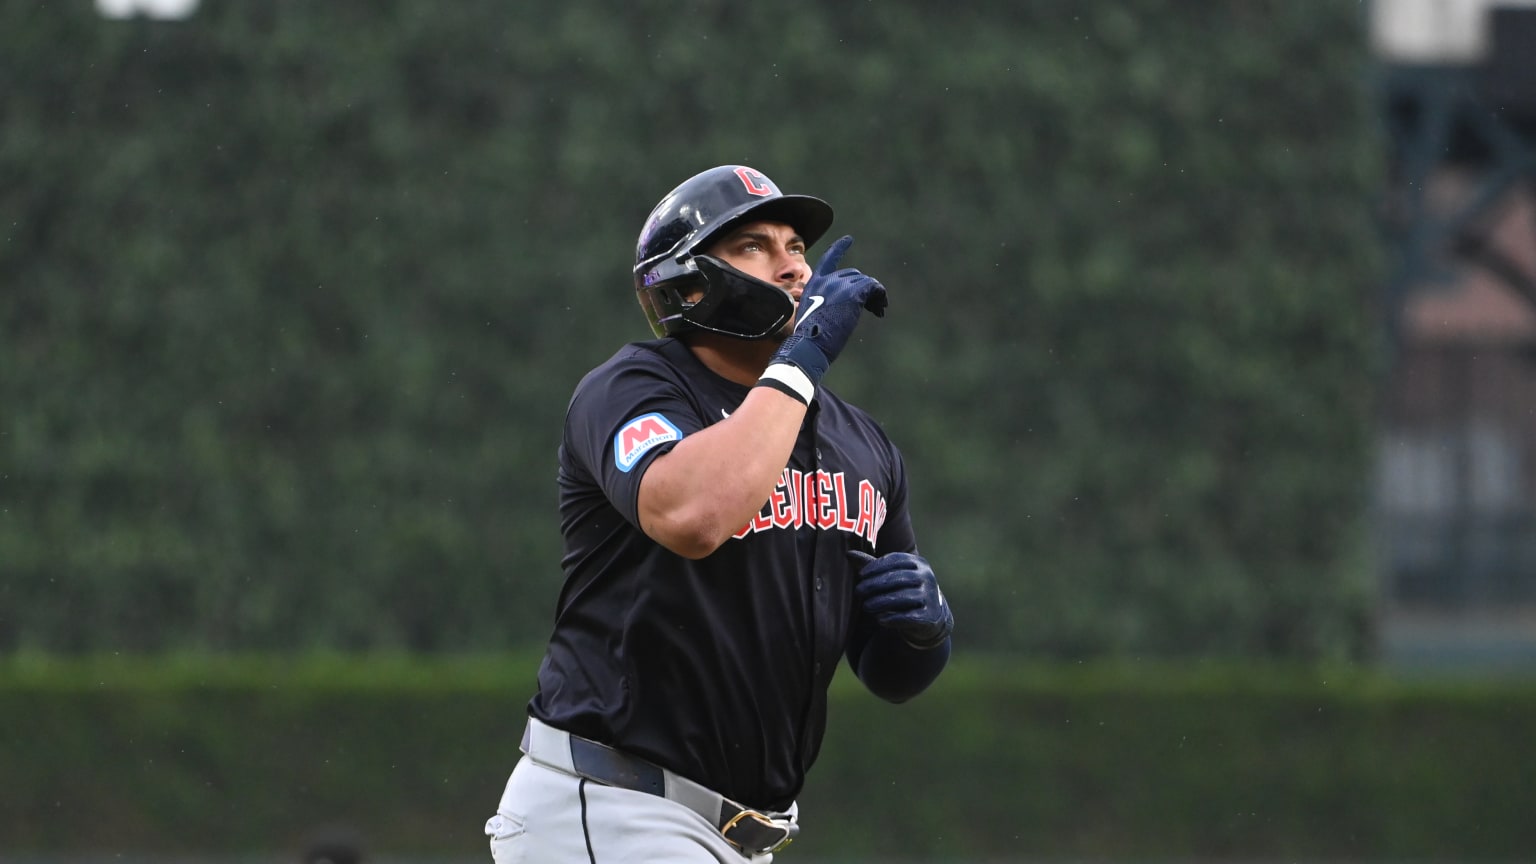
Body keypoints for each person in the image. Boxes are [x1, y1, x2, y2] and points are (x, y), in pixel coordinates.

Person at [485, 165, 954, 863]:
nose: (794, 265)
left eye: (795, 246)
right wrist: (800, 361)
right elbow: (694, 515)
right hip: (616, 807)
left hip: (744, 836)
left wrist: (923, 633)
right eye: (753, 247)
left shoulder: (863, 444)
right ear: (689, 283)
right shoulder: (632, 388)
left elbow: (887, 673)